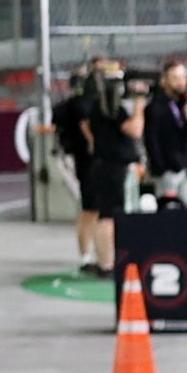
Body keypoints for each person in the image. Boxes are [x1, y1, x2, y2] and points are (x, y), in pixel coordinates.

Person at [61, 62, 131, 274]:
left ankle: (91, 256)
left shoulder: (96, 102)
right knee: (94, 210)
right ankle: (92, 258)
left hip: (92, 160)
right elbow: (85, 125)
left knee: (94, 210)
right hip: (91, 160)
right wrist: (94, 144)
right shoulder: (87, 103)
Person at [138, 63, 187, 211]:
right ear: (165, 80)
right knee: (168, 210)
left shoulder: (182, 104)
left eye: (182, 77)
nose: (180, 82)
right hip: (168, 168)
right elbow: (151, 139)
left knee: (184, 210)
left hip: (185, 166)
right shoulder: (155, 107)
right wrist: (160, 167)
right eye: (175, 78)